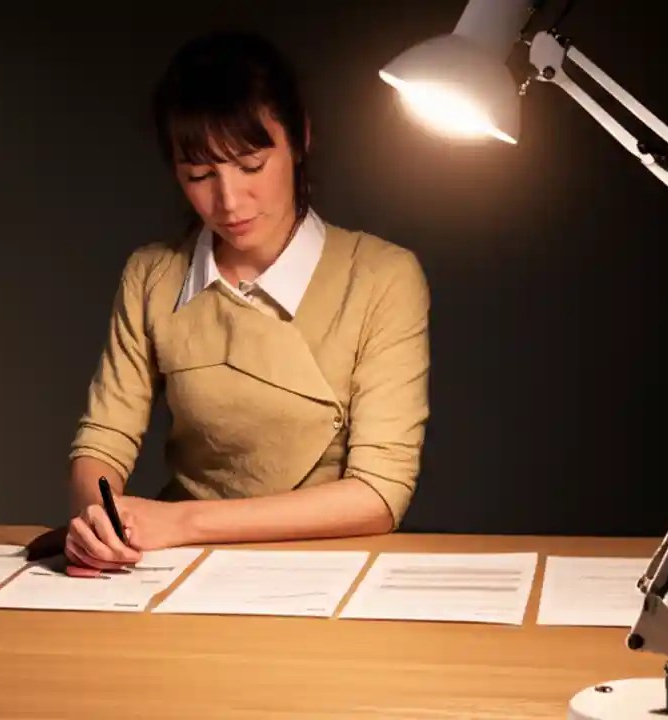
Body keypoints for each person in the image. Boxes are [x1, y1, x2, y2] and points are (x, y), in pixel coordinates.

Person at [62, 30, 430, 574]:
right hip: (174, 568)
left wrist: (183, 523)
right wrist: (102, 521)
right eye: (199, 176)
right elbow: (104, 440)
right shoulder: (154, 275)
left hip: (329, 568)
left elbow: (378, 495)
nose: (229, 201)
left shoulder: (381, 276)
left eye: (251, 166)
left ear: (300, 138)